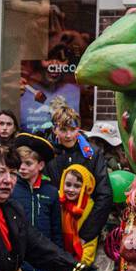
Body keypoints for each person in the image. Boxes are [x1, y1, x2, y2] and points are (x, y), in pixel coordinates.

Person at [9, 132, 62, 271]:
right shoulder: (11, 190)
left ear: (40, 165)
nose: (22, 168)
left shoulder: (51, 193)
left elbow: (56, 233)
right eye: (20, 163)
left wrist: (60, 266)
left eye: (28, 163)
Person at [47, 105, 113, 248]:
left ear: (79, 129)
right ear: (54, 130)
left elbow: (104, 195)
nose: (69, 135)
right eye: (63, 130)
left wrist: (86, 235)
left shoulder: (92, 154)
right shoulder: (47, 154)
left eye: (73, 129)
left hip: (85, 227)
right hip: (54, 231)